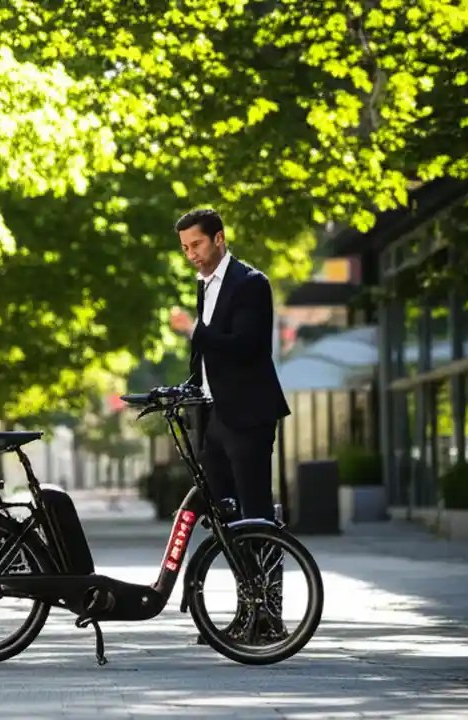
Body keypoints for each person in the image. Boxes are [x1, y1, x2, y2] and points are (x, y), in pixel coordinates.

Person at [170, 208, 290, 644]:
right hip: (216, 416)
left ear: (218, 238)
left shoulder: (250, 283)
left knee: (256, 516)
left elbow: (246, 345)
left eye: (196, 245)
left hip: (249, 415)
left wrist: (193, 331)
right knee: (224, 516)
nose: (191, 255)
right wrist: (186, 386)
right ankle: (244, 612)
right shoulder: (206, 285)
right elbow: (210, 358)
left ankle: (267, 617)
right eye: (185, 248)